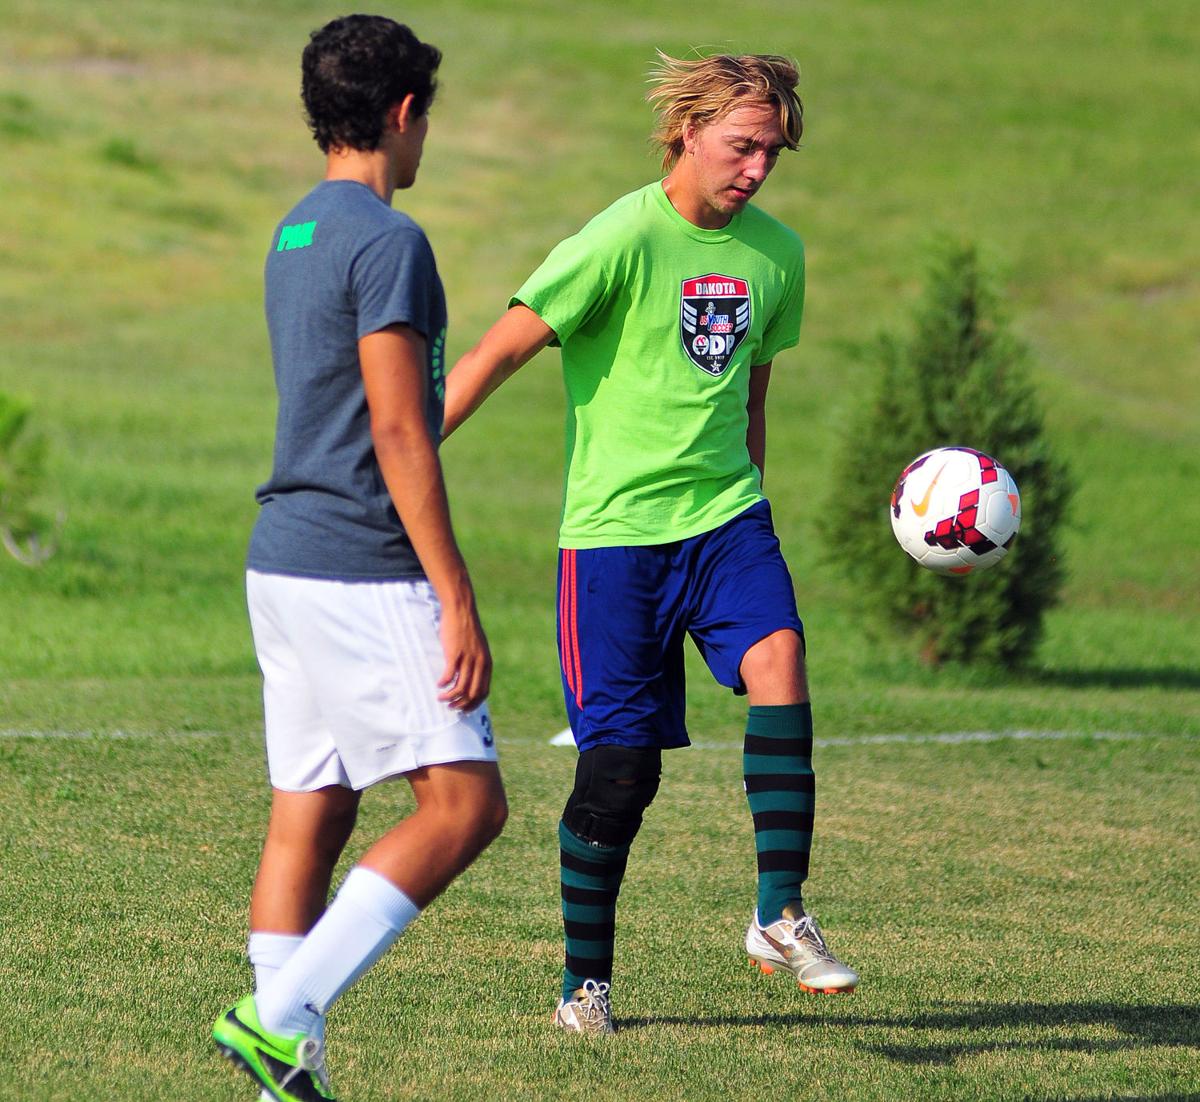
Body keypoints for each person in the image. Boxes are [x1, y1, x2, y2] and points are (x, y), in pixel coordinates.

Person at [443, 51, 856, 1035]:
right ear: (687, 129)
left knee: (783, 656)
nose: (757, 167)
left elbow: (751, 396)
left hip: (727, 522)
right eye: (742, 144)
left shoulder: (777, 256)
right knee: (621, 775)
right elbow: (498, 351)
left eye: (772, 151)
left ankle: (778, 909)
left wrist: (754, 507)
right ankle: (586, 983)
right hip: (615, 544)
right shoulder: (618, 238)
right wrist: (396, 456)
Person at [212, 16, 506, 1100]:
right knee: (465, 806)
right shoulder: (391, 241)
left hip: (282, 561)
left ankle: (280, 1073)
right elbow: (398, 431)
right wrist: (455, 596)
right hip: (357, 562)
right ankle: (277, 1017)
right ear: (401, 113)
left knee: (314, 806)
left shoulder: (295, 229)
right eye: (428, 118)